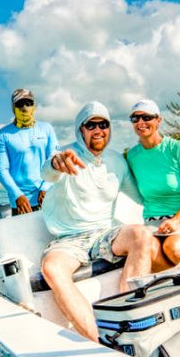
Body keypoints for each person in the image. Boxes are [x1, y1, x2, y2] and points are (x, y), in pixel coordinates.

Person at [40, 101, 159, 342]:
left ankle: (132, 323)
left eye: (103, 124)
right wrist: (57, 162)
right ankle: (99, 342)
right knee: (52, 268)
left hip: (105, 234)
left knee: (142, 235)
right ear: (80, 130)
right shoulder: (65, 155)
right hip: (70, 240)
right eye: (90, 125)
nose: (98, 130)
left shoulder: (117, 161)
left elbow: (143, 196)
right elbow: (48, 172)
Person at [125, 98, 180, 271]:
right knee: (146, 252)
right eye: (135, 119)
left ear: (158, 120)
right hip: (153, 221)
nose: (140, 122)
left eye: (146, 117)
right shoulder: (132, 156)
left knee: (173, 247)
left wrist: (176, 220)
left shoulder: (177, 148)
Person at [0, 89, 59, 214]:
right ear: (13, 108)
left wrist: (45, 187)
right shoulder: (2, 135)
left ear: (34, 106)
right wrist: (17, 195)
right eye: (20, 104)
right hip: (21, 203)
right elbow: (1, 169)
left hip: (48, 197)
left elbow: (54, 160)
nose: (24, 107)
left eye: (28, 103)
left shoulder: (46, 128)